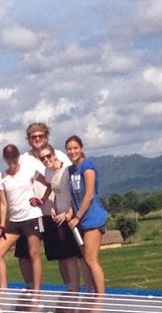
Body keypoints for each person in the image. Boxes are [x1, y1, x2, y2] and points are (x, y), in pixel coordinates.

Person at [32, 125, 83, 292]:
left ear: (54, 154)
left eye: (49, 157)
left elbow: (75, 193)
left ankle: (92, 289)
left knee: (82, 255)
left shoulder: (67, 169)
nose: (46, 160)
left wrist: (69, 213)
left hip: (71, 216)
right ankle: (74, 289)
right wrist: (51, 205)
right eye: (43, 159)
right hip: (59, 216)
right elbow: (53, 189)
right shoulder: (47, 172)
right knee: (67, 256)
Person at [0, 142, 49, 290]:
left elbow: (49, 183)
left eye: (14, 157)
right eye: (8, 158)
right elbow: (3, 203)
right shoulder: (1, 177)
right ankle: (3, 289)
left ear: (18, 157)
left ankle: (37, 290)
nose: (11, 161)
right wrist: (2, 224)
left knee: (33, 253)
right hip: (15, 220)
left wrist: (41, 200)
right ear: (5, 159)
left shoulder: (29, 170)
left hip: (32, 217)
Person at [64, 134, 108, 293]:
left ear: (81, 149)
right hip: (81, 220)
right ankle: (93, 291)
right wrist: (71, 211)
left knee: (91, 259)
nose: (72, 151)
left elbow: (89, 195)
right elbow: (74, 196)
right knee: (86, 259)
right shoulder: (70, 170)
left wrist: (77, 217)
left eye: (75, 148)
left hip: (92, 218)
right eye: (69, 149)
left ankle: (101, 295)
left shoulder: (87, 167)